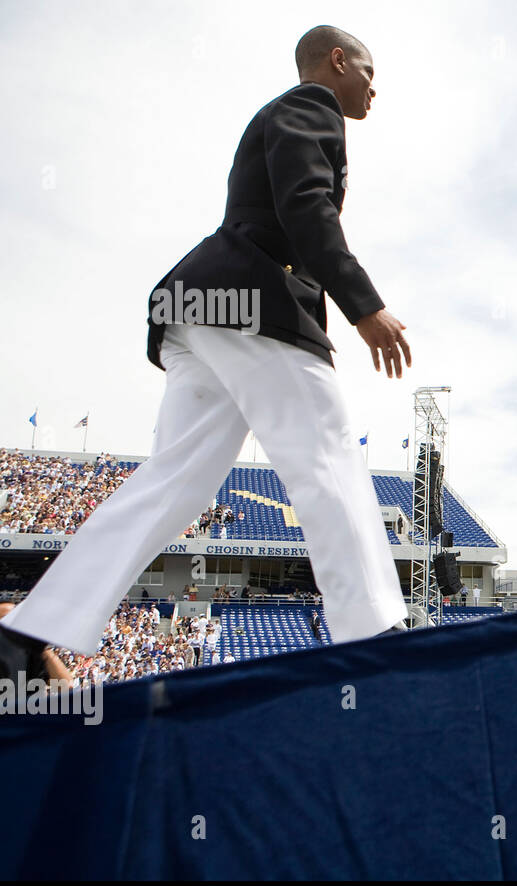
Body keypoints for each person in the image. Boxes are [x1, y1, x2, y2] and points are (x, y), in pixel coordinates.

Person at [0, 26, 412, 680]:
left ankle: (24, 636)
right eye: (368, 71)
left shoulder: (279, 115)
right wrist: (364, 306)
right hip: (251, 303)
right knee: (327, 451)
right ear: (337, 61)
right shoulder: (312, 105)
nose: (373, 88)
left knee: (175, 482)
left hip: (200, 310)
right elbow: (307, 206)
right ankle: (375, 637)